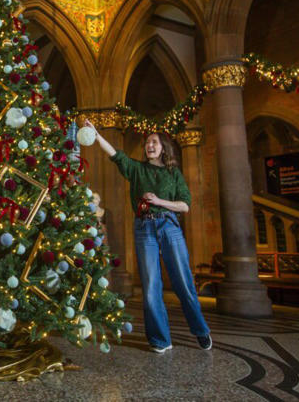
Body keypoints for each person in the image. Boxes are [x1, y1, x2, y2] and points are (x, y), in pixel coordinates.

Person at [84, 120, 212, 353]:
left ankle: (201, 330)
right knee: (151, 284)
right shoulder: (137, 169)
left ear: (163, 148)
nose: (149, 146)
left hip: (169, 225)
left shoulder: (174, 173)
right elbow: (116, 155)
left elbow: (185, 206)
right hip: (144, 228)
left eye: (154, 142)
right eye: (147, 143)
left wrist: (159, 201)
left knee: (182, 281)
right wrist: (96, 134)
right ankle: (160, 339)